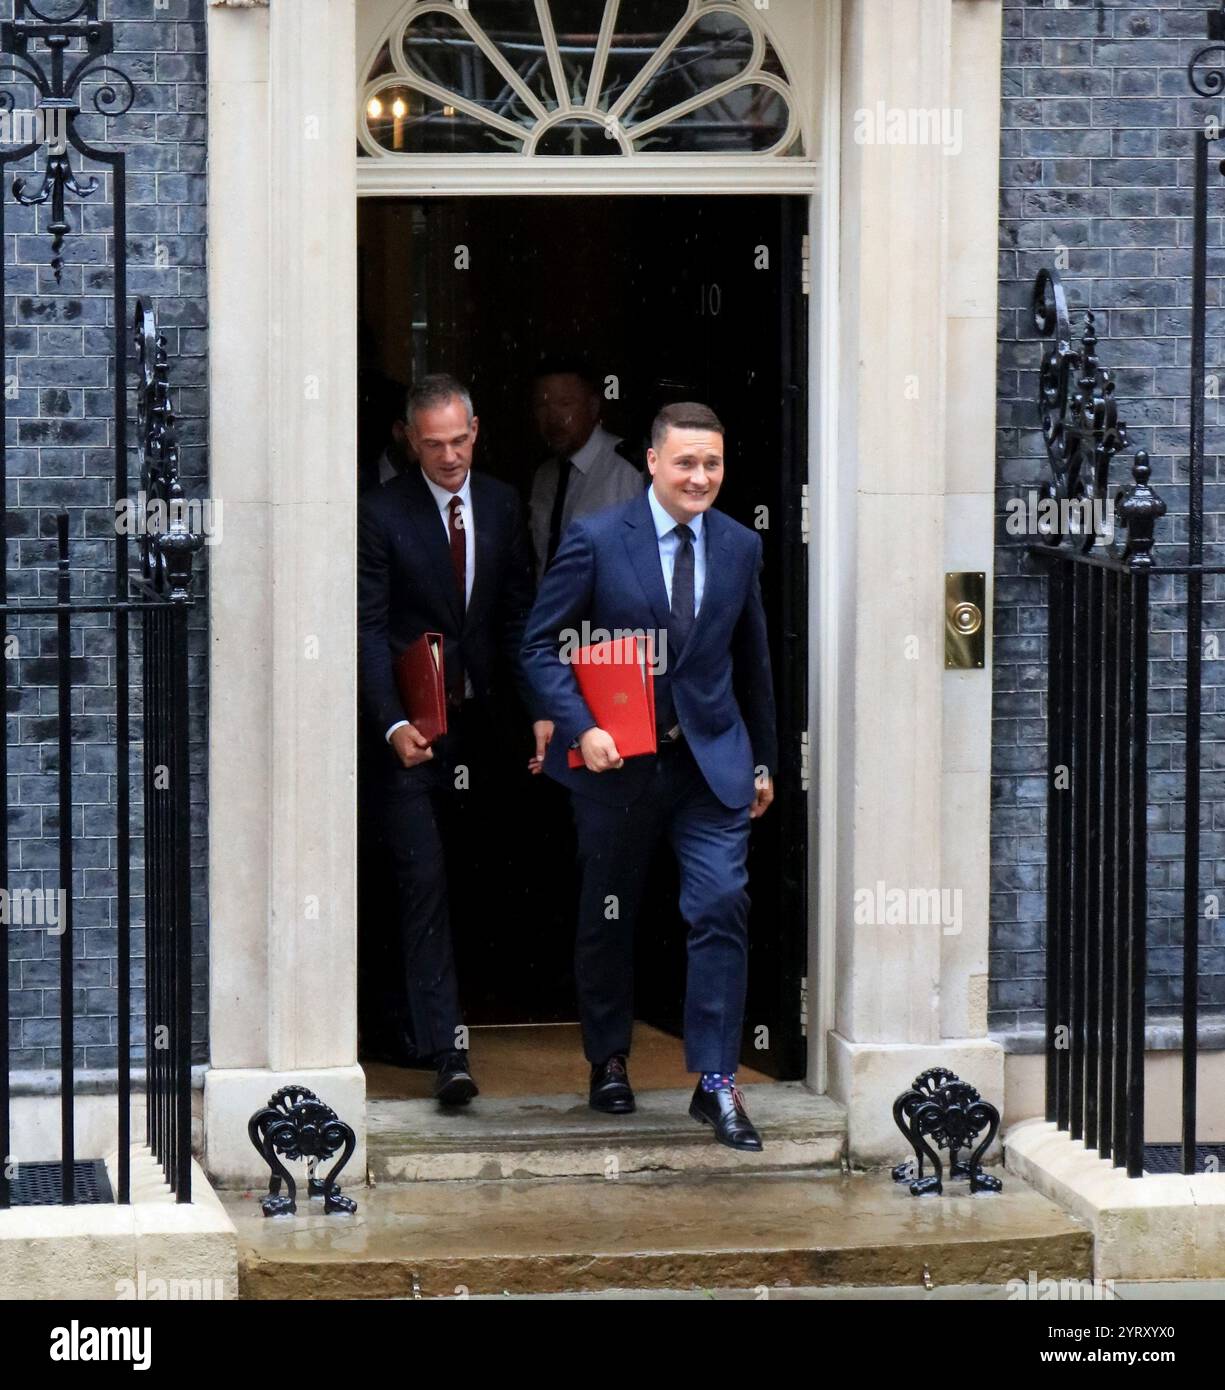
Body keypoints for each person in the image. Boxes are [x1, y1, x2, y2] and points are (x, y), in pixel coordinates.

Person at [521, 401, 777, 1150]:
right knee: (609, 915)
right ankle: (608, 1059)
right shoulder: (596, 540)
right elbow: (542, 646)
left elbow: (752, 663)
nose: (701, 477)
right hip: (615, 768)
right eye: (687, 462)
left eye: (713, 464)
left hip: (709, 766)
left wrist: (761, 758)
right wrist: (582, 729)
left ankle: (717, 1082)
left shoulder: (738, 546)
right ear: (654, 464)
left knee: (721, 902)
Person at [358, 373, 551, 1104]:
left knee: (476, 879)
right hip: (411, 731)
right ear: (412, 440)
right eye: (433, 444)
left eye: (459, 440)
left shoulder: (501, 505)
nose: (448, 456)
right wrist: (391, 721)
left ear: (476, 431)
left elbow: (516, 616)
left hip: (486, 729)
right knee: (422, 880)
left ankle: (449, 1022)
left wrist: (538, 708)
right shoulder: (380, 514)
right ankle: (447, 1052)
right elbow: (368, 629)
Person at [527, 359, 643, 578]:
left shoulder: (628, 472)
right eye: (542, 406)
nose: (553, 418)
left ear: (593, 407)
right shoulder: (544, 476)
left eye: (565, 404)